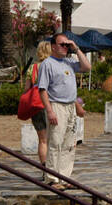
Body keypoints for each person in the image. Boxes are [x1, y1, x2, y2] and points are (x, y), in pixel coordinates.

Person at [38, 32, 91, 184]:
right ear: (53, 47)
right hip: (57, 105)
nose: (65, 48)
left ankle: (65, 176)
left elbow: (87, 67)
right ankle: (53, 178)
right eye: (62, 45)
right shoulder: (47, 64)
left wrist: (76, 49)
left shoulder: (69, 62)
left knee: (69, 143)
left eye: (67, 45)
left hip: (70, 107)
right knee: (55, 142)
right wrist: (49, 110)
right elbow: (42, 90)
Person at [28, 40, 52, 169]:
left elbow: (27, 89)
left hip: (36, 106)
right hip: (50, 104)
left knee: (42, 140)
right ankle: (53, 169)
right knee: (52, 139)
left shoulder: (33, 68)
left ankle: (44, 168)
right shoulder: (52, 65)